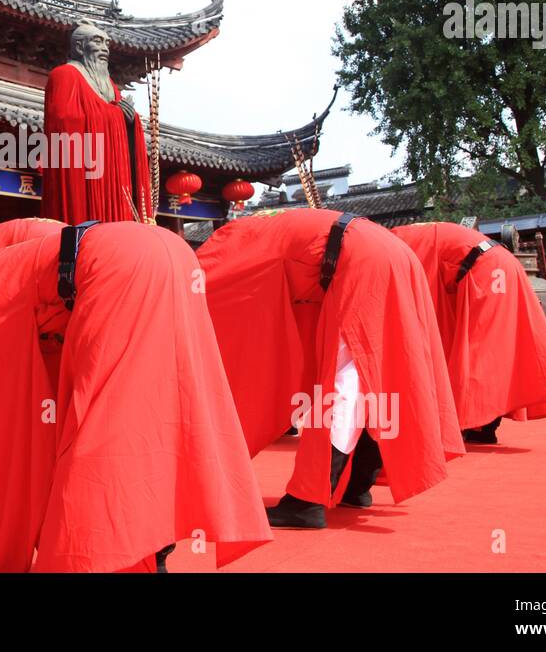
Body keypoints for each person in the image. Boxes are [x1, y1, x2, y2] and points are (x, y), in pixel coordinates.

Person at [0, 220, 271, 572]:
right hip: (171, 253)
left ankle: (103, 561)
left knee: (103, 426)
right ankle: (152, 551)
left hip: (119, 268)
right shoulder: (52, 249)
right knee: (161, 410)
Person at [197, 209, 465, 530]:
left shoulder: (215, 255)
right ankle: (357, 485)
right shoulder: (248, 231)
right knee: (377, 379)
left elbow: (223, 310)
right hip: (384, 255)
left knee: (345, 384)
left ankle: (307, 501)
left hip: (359, 260)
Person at [392, 222, 546, 445]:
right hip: (501, 262)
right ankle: (484, 426)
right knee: (495, 353)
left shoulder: (394, 244)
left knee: (478, 355)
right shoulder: (403, 236)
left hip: (482, 269)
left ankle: (466, 425)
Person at [40, 23, 153, 223]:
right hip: (82, 171)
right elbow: (64, 121)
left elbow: (119, 114)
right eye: (97, 41)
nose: (105, 48)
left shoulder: (108, 84)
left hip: (111, 172)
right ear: (79, 47)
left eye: (106, 43)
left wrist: (130, 119)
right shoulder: (64, 75)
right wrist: (115, 114)